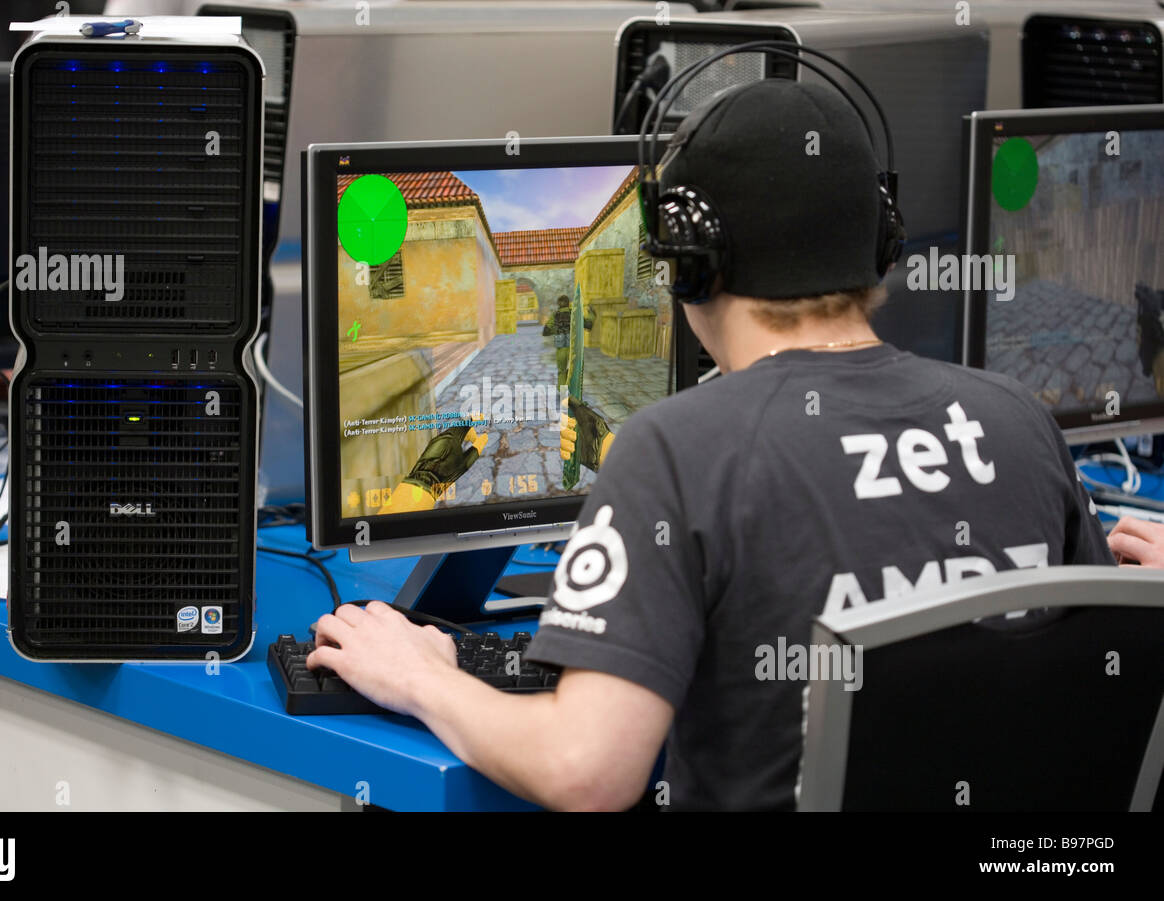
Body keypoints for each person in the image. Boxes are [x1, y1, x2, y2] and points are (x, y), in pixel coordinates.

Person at [305, 78, 1115, 811]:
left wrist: (424, 678)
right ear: (880, 240)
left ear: (690, 265)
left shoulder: (677, 447)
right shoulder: (1019, 419)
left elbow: (585, 770)